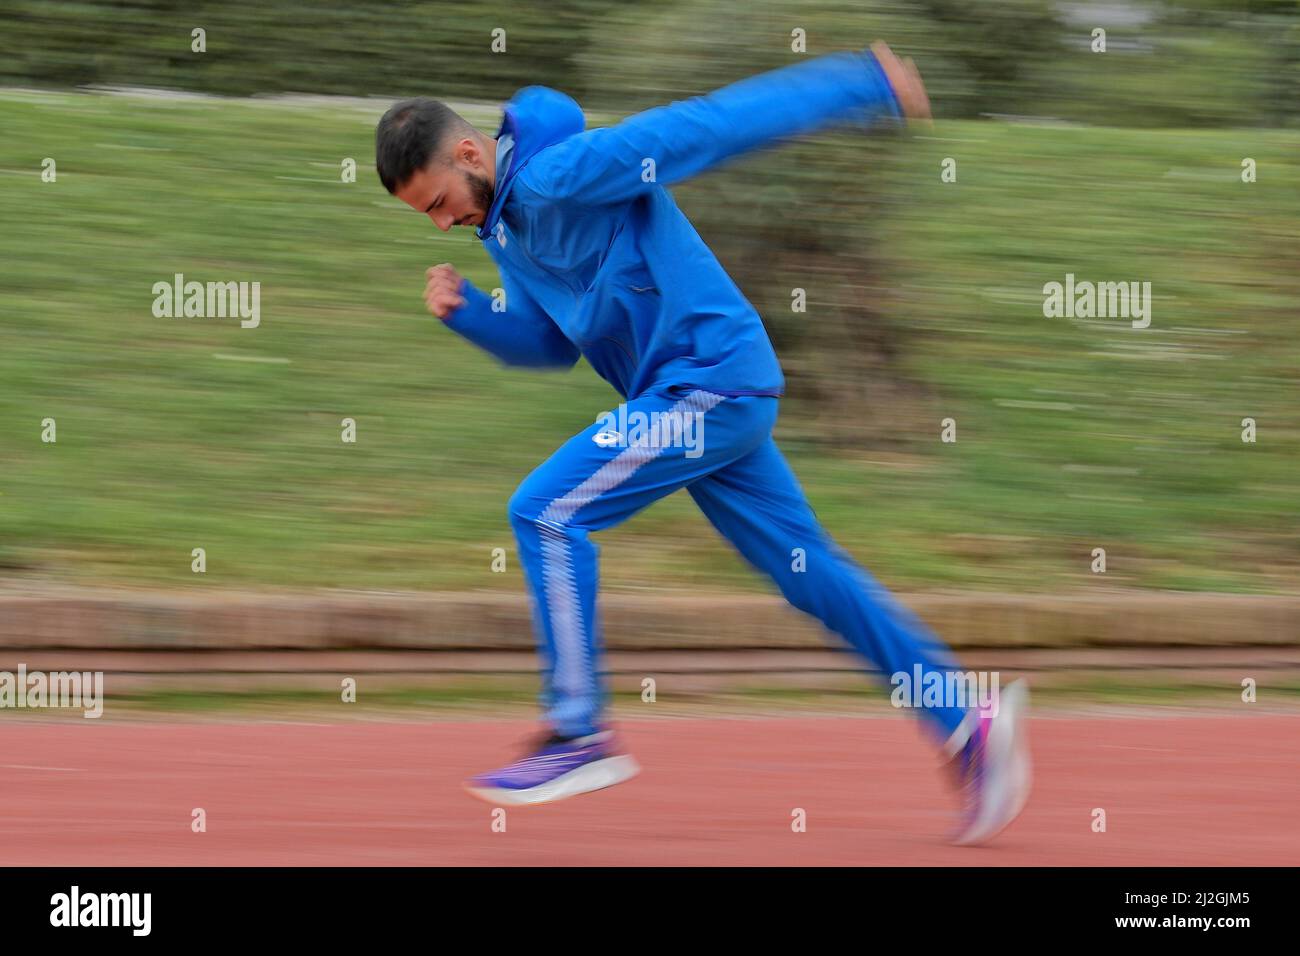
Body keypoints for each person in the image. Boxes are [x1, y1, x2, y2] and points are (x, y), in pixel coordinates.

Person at [375, 42, 1031, 845]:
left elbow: (706, 128)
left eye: (440, 202)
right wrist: (471, 314)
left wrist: (861, 84)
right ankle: (967, 722)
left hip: (708, 382)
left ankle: (577, 730)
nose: (443, 223)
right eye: (428, 217)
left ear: (471, 155)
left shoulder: (564, 172)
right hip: (698, 402)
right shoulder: (506, 230)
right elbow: (549, 344)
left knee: (546, 512)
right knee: (810, 573)